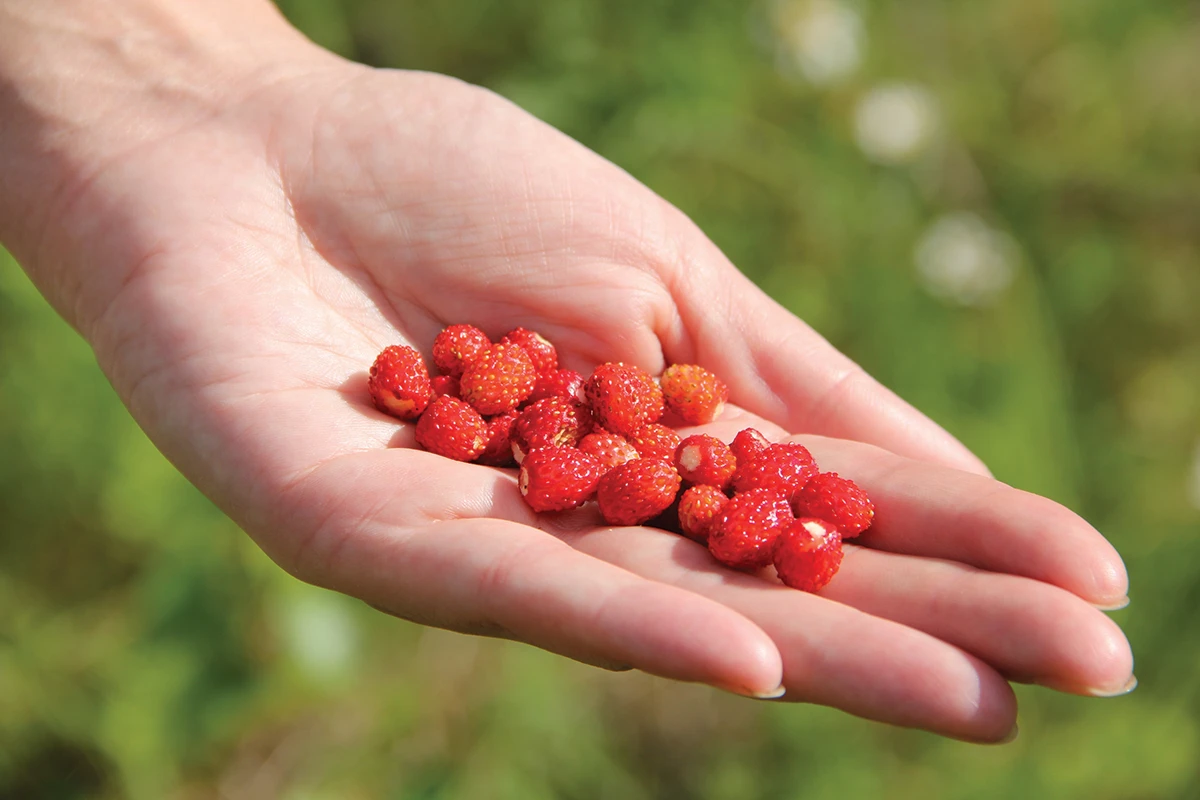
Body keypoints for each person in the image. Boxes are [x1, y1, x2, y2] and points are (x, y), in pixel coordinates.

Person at [0, 0, 1133, 743]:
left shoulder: (664, 452)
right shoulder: (530, 404)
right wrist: (178, 96)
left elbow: (623, 451)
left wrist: (188, 82)